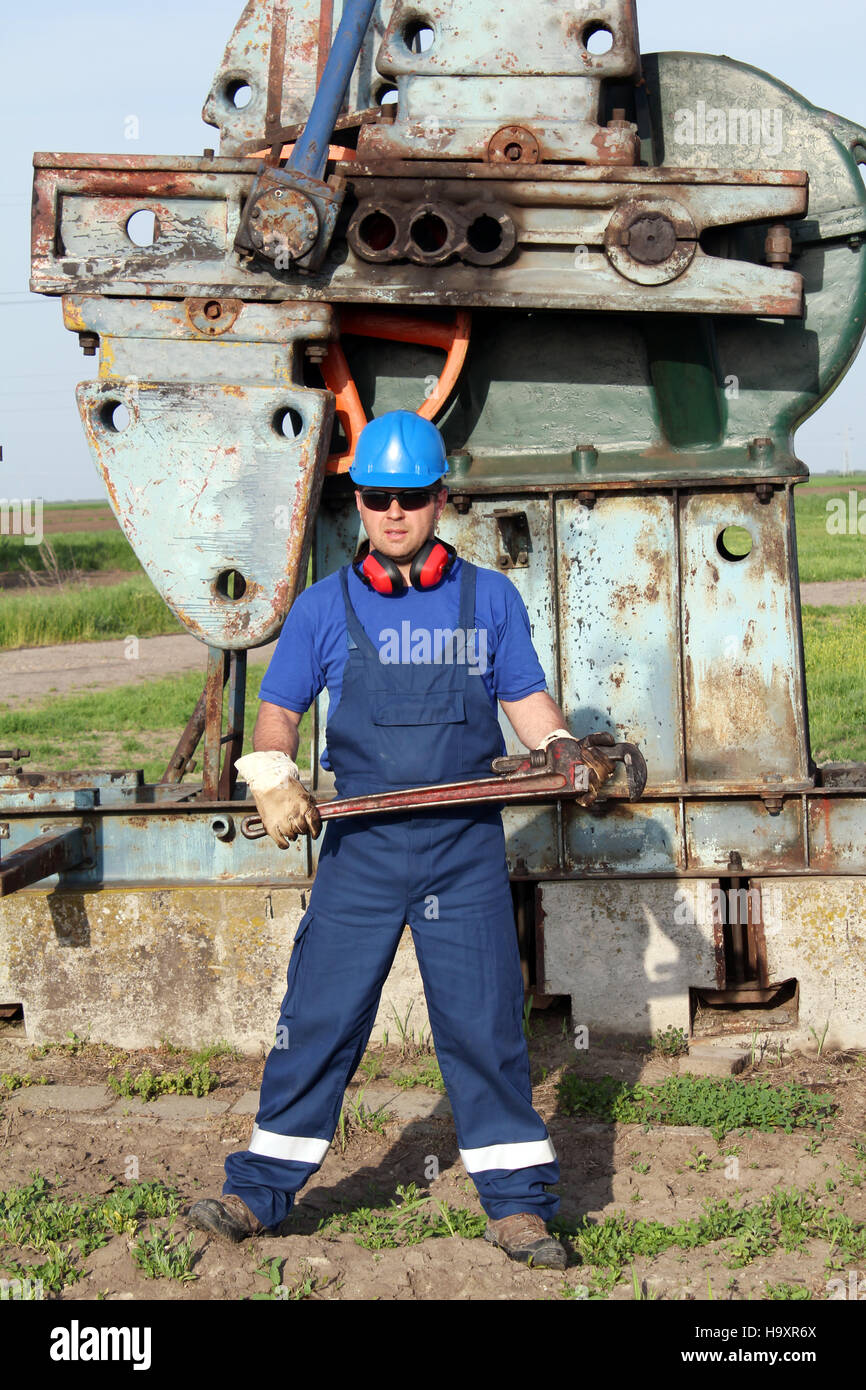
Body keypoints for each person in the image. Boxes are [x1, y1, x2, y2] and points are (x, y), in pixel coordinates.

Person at [188, 410, 614, 1268]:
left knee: (484, 1026)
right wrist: (271, 773)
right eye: (378, 497)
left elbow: (526, 700)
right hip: (364, 851)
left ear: (440, 500)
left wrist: (563, 747)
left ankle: (518, 1208)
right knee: (318, 1017)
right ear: (358, 501)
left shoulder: (489, 599)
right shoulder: (322, 607)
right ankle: (257, 1191)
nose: (394, 512)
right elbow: (279, 711)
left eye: (411, 498)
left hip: (463, 848)